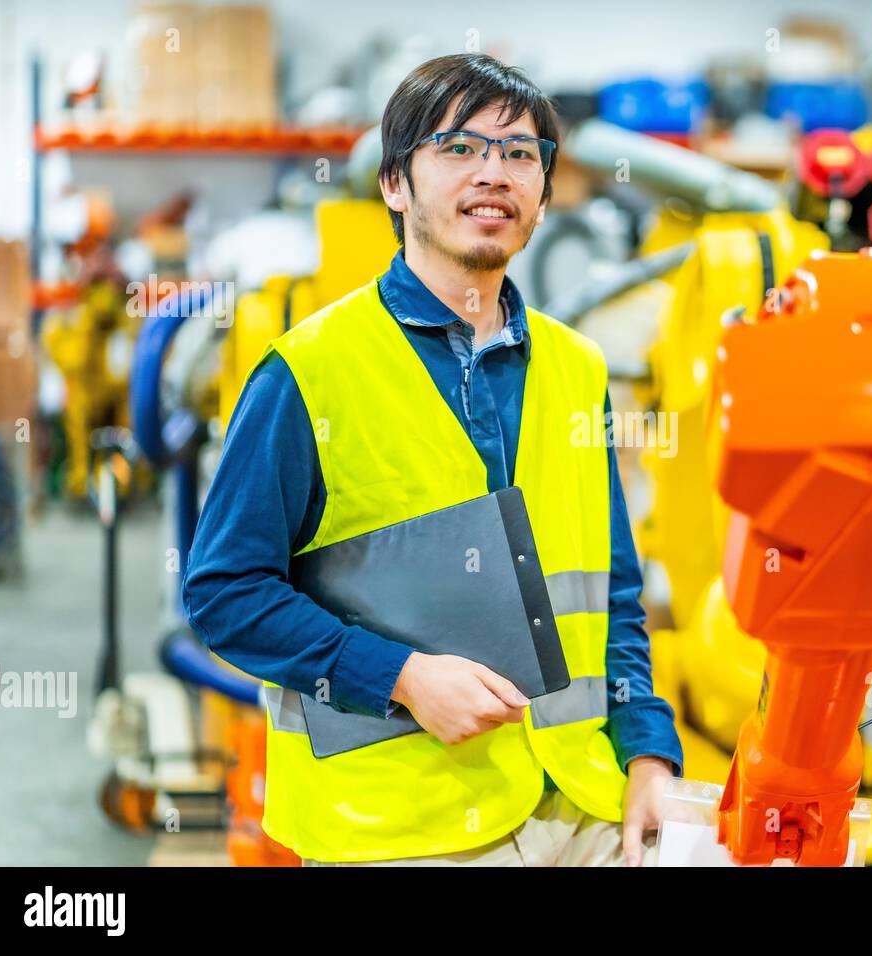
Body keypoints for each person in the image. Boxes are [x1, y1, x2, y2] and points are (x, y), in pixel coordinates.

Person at [183, 53, 683, 866]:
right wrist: (401, 674)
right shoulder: (308, 372)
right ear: (393, 184)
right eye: (458, 148)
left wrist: (647, 753)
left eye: (521, 154)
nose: (495, 172)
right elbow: (223, 592)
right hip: (398, 826)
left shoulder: (579, 371)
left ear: (546, 193)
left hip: (578, 800)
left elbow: (613, 595)